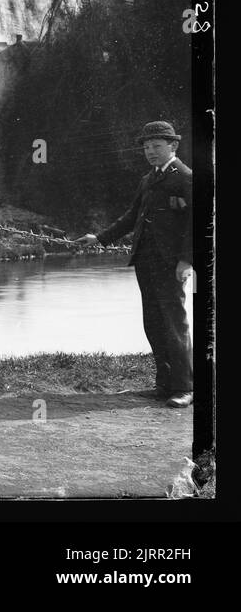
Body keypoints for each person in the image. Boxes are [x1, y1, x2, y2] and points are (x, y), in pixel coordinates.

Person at [80, 121, 193, 408]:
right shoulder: (148, 180)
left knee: (174, 324)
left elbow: (197, 224)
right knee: (153, 323)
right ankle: (164, 385)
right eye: (146, 147)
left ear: (173, 146)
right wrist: (100, 238)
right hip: (145, 261)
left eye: (157, 146)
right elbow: (132, 217)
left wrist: (186, 261)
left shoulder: (186, 178)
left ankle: (185, 387)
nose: (151, 152)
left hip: (171, 265)